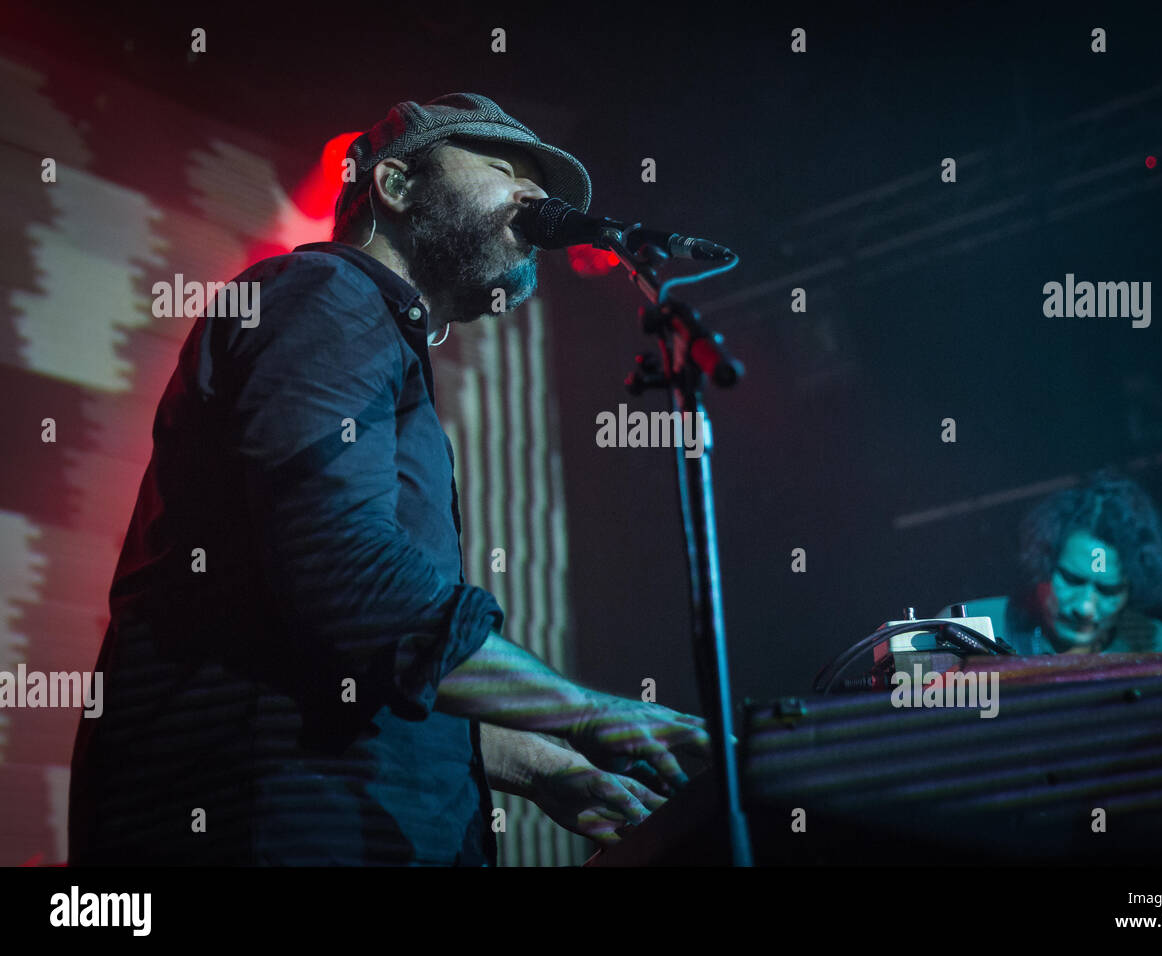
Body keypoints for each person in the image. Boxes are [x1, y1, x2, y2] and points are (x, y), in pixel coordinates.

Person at [68, 94, 709, 866]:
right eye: (504, 170)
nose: (537, 202)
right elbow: (345, 571)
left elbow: (342, 654)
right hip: (270, 825)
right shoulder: (326, 296)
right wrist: (582, 714)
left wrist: (538, 766)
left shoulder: (364, 329)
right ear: (396, 186)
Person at [936, 471, 1162, 654]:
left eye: (1107, 591)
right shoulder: (959, 630)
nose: (1084, 607)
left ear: (1131, 590)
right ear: (1043, 562)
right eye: (1072, 580)